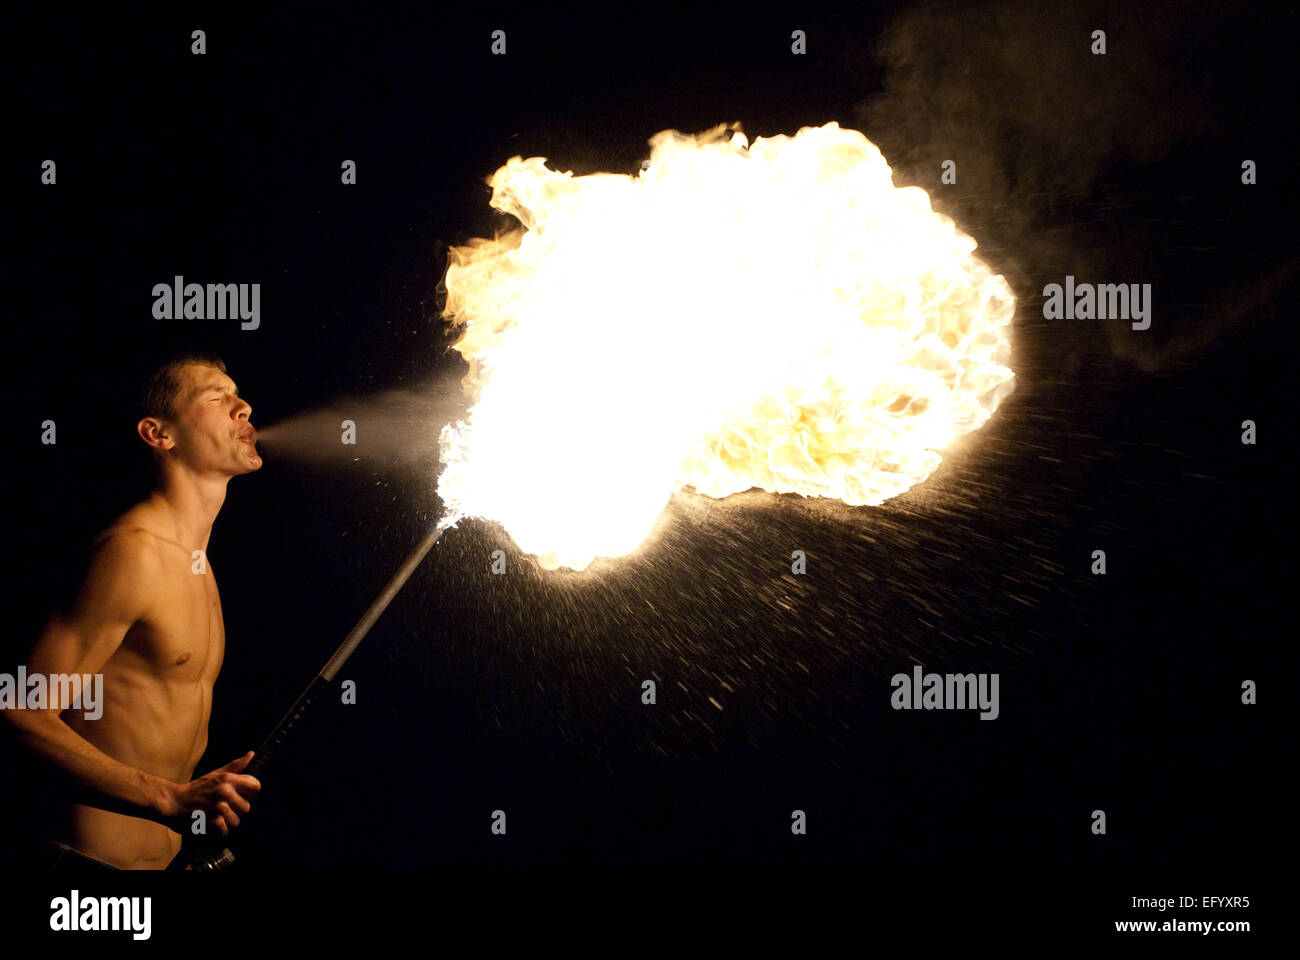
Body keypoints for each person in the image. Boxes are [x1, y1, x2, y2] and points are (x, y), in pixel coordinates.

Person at [4, 352, 263, 869]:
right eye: (216, 397)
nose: (243, 407)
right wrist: (167, 797)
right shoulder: (133, 552)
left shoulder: (199, 567)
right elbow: (18, 711)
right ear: (158, 434)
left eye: (237, 394)